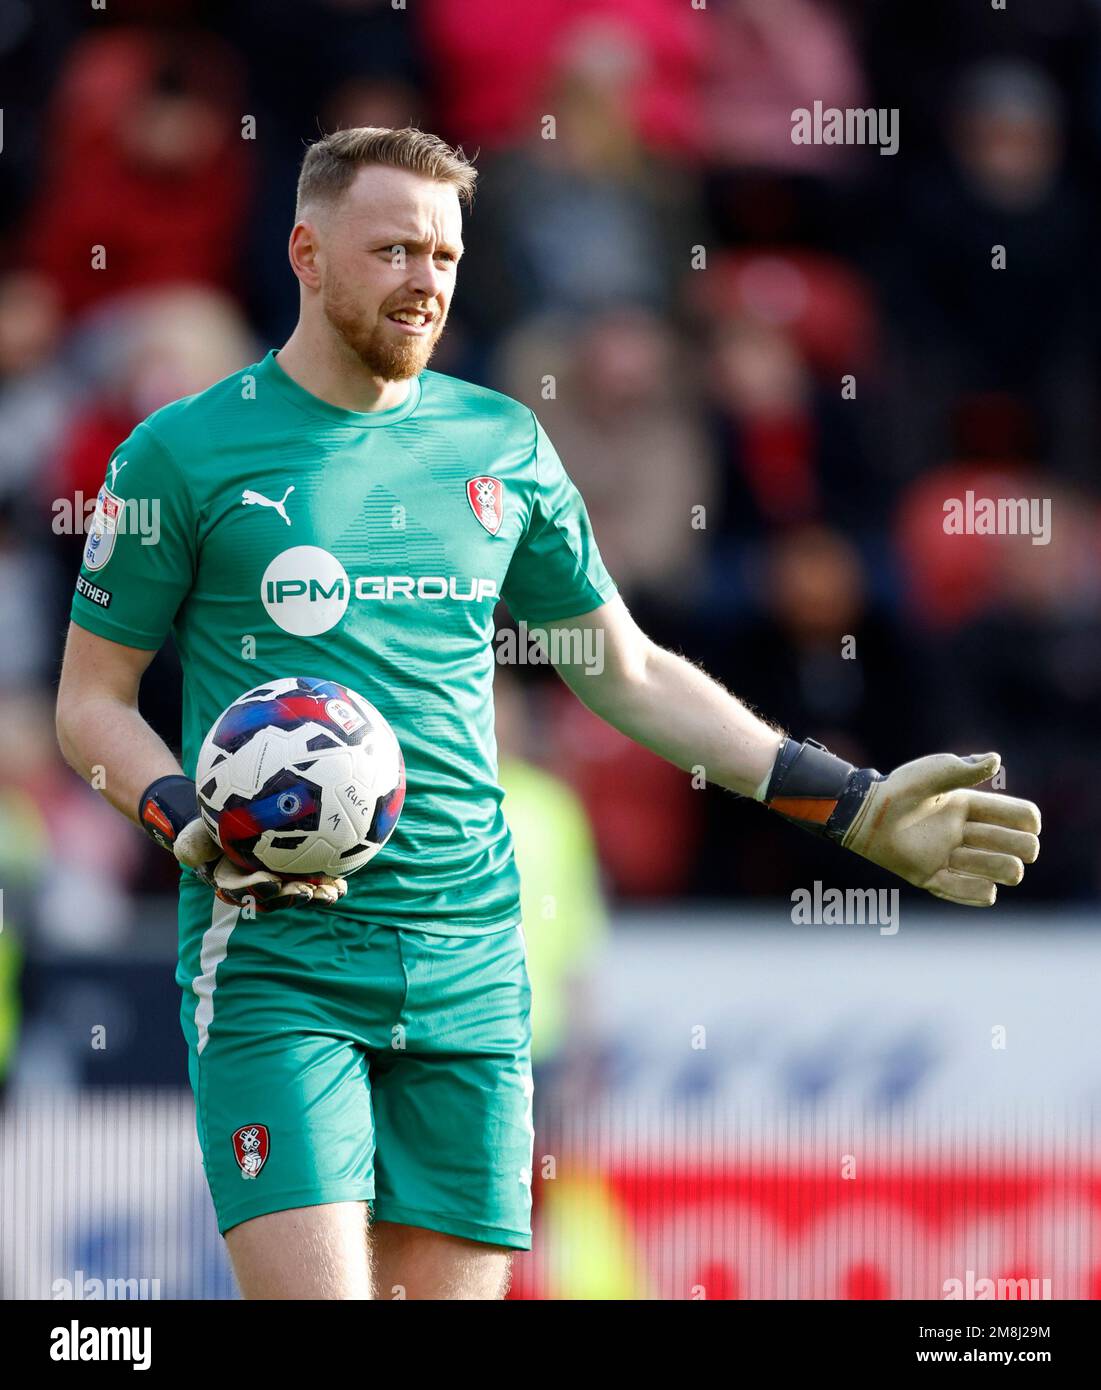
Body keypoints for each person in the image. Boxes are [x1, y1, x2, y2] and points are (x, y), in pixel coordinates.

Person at [54, 127, 1041, 1301]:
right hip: (281, 958)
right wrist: (182, 817)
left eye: (445, 254)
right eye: (393, 251)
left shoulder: (500, 442)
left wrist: (850, 804)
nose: (425, 280)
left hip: (476, 960)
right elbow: (90, 702)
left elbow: (620, 668)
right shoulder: (183, 452)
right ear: (307, 253)